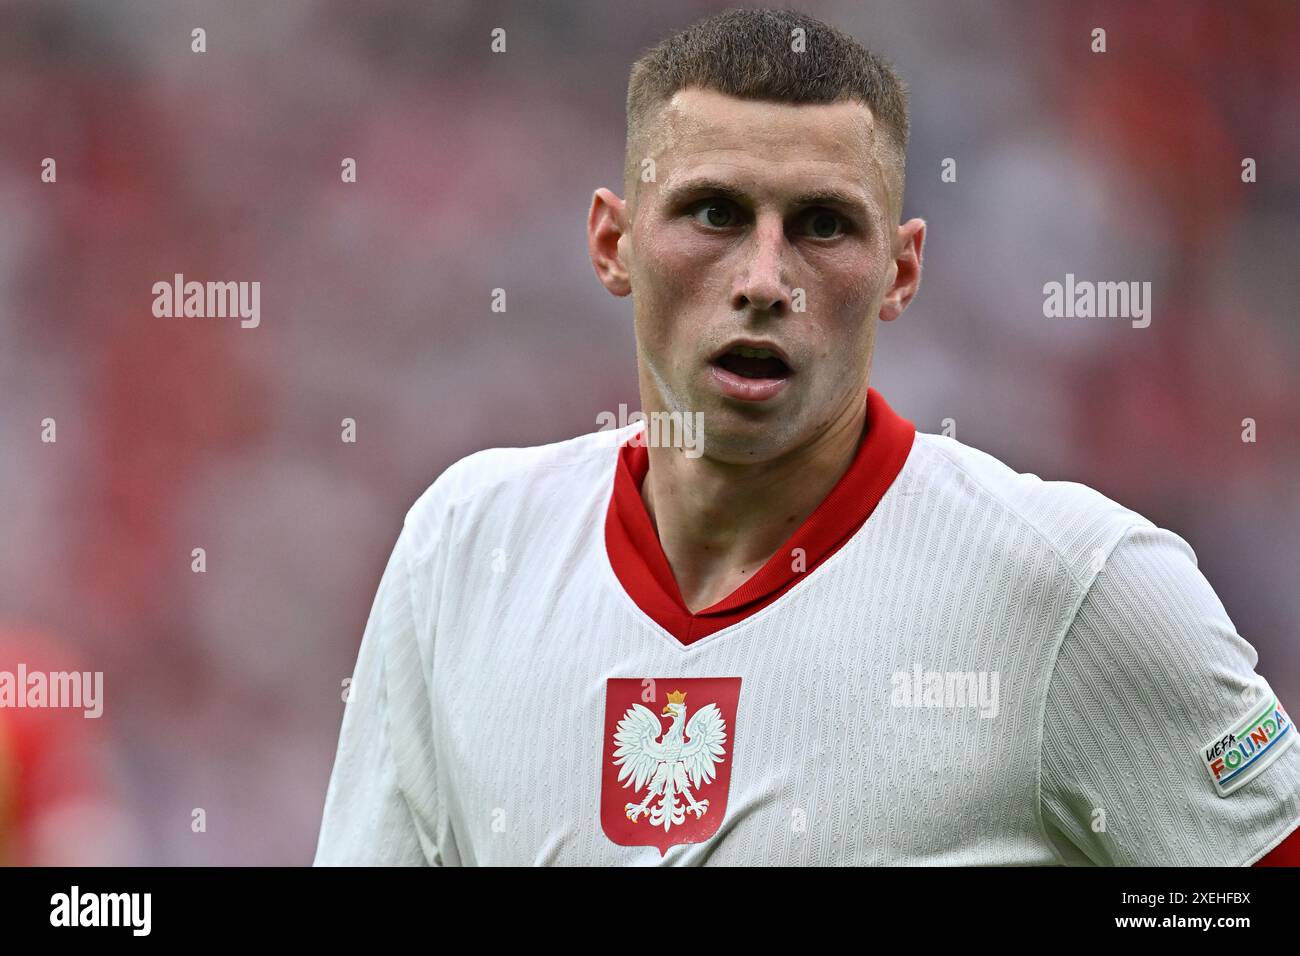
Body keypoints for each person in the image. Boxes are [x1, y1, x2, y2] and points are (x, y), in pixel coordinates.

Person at [313, 8, 1299, 865]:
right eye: (713, 211)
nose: (763, 276)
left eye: (823, 224)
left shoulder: (1077, 586)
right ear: (612, 242)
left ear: (900, 272)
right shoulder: (464, 550)